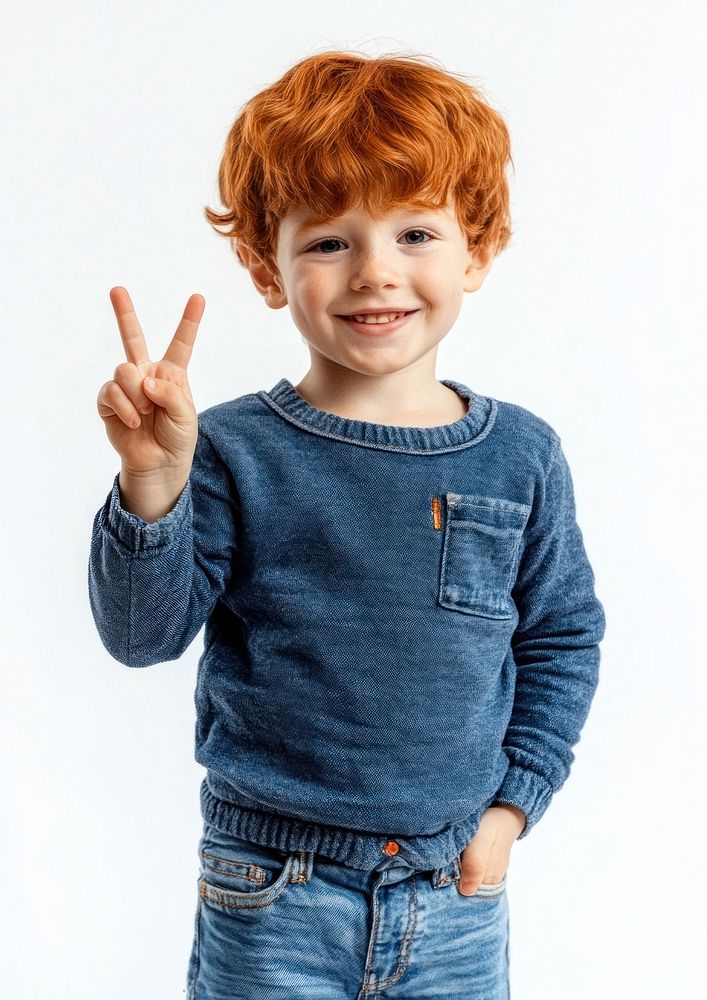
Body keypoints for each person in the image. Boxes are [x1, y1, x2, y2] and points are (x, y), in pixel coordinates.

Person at [89, 49, 606, 999]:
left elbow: (561, 637)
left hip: (455, 893)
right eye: (329, 242)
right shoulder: (231, 448)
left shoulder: (521, 454)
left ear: (477, 250)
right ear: (266, 267)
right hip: (270, 893)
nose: (375, 273)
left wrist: (511, 810)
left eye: (416, 233)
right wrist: (153, 487)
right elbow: (139, 637)